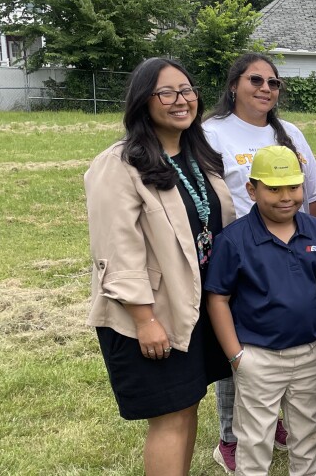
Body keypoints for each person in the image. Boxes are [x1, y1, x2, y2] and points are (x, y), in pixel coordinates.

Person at [84, 58, 234, 476]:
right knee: (168, 418)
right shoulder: (119, 164)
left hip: (193, 307)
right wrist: (144, 318)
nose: (180, 100)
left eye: (187, 90)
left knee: (187, 408)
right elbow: (116, 250)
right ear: (143, 101)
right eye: (166, 93)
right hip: (152, 314)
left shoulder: (196, 155)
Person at [203, 52, 316, 470]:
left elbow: (311, 193)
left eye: (273, 83)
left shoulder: (288, 131)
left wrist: (311, 238)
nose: (265, 89)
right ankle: (231, 437)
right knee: (244, 348)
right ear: (234, 84)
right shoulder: (214, 132)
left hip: (291, 245)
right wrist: (239, 356)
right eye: (255, 80)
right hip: (240, 248)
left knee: (299, 404)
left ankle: (279, 417)